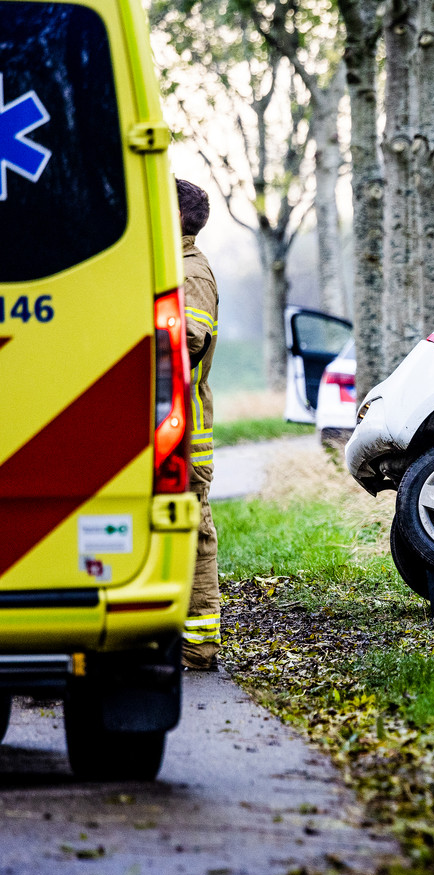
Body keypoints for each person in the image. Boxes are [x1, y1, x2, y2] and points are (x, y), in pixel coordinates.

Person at [178, 178, 222, 671]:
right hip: (175, 420)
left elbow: (189, 341)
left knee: (194, 523)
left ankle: (199, 646)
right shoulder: (174, 266)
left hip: (187, 425)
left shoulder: (192, 273)